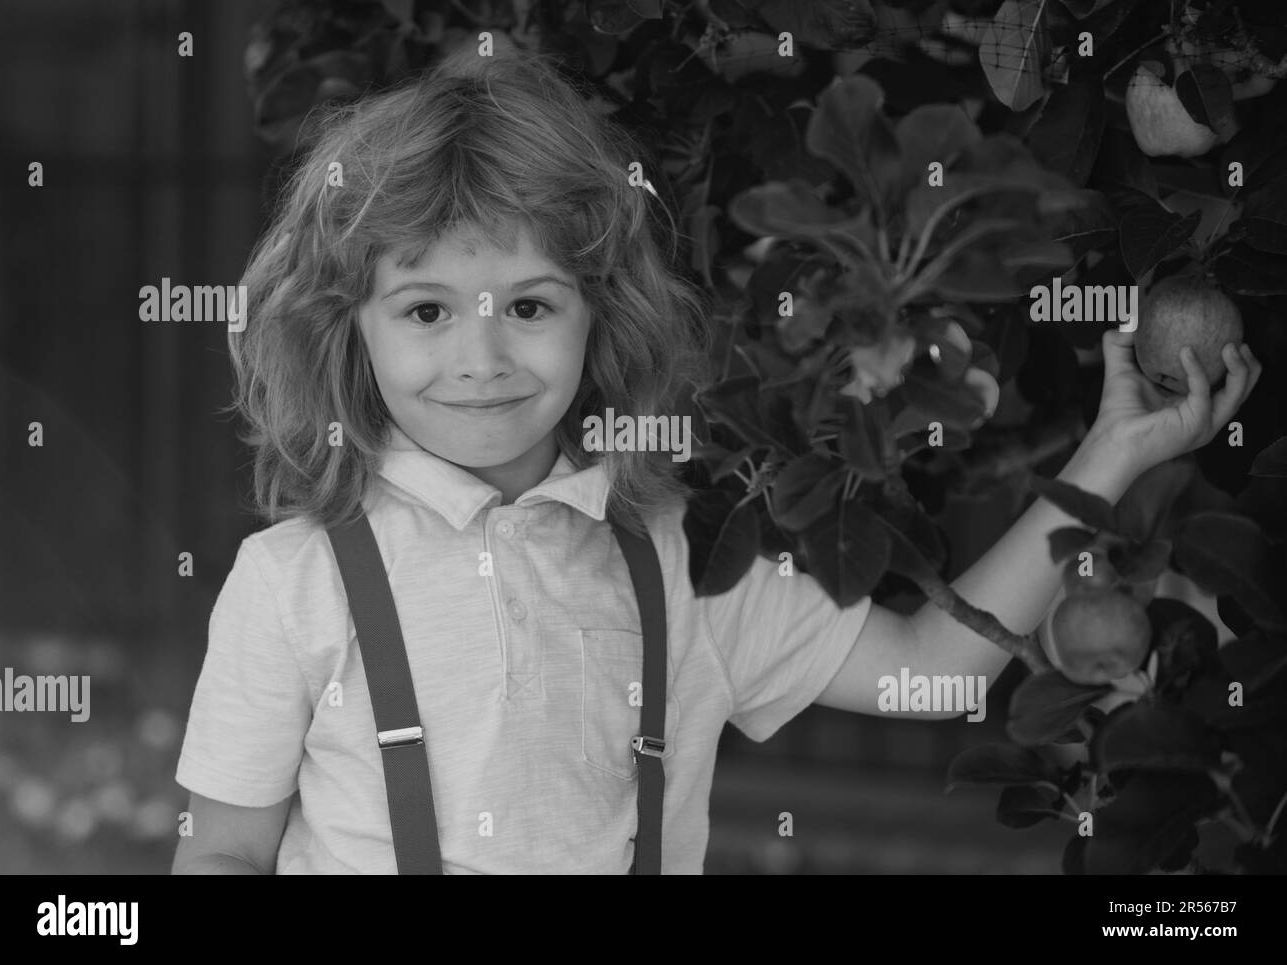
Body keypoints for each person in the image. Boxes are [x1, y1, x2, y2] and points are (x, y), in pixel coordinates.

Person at [171, 47, 1261, 874]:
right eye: (425, 308)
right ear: (347, 328)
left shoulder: (674, 561)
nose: (483, 356)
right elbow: (219, 852)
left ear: (602, 317)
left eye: (533, 304)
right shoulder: (293, 582)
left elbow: (939, 665)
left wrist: (1116, 448)